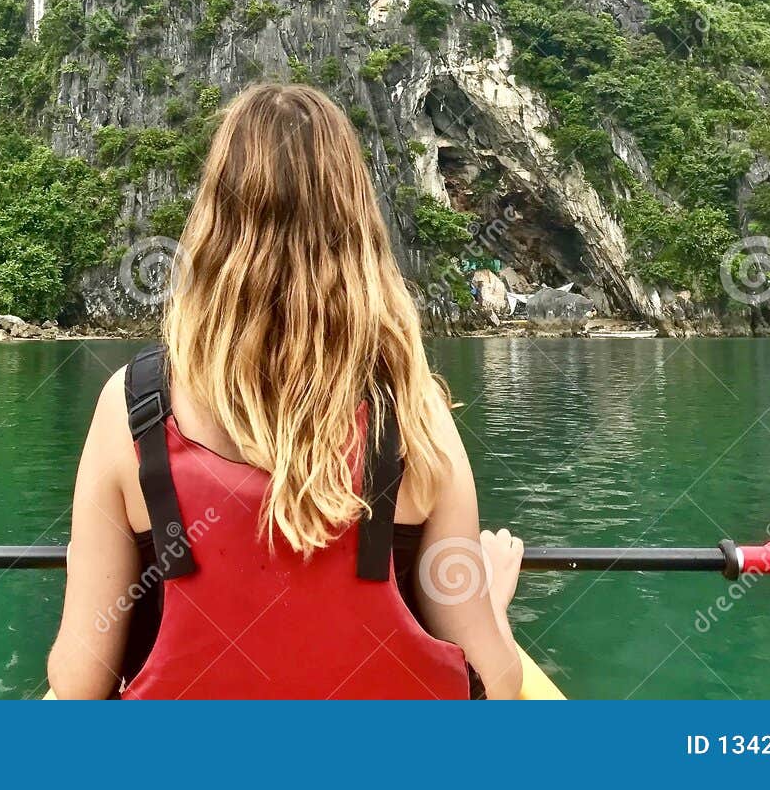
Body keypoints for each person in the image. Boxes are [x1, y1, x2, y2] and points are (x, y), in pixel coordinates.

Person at [46, 83, 525, 699]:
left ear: (214, 227)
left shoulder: (131, 410)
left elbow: (78, 684)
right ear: (358, 229)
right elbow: (497, 683)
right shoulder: (412, 413)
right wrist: (487, 594)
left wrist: (89, 576)